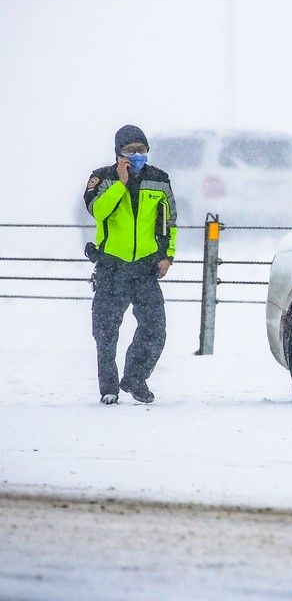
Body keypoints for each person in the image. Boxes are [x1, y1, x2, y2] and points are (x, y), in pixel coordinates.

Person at [83, 125, 177, 404]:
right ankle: (109, 388)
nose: (136, 155)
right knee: (105, 332)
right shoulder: (101, 179)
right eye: (130, 150)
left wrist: (167, 256)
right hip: (112, 268)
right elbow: (97, 211)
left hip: (145, 269)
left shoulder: (160, 179)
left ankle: (135, 377)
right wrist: (120, 184)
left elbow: (169, 222)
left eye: (141, 149)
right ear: (118, 153)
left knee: (155, 329)